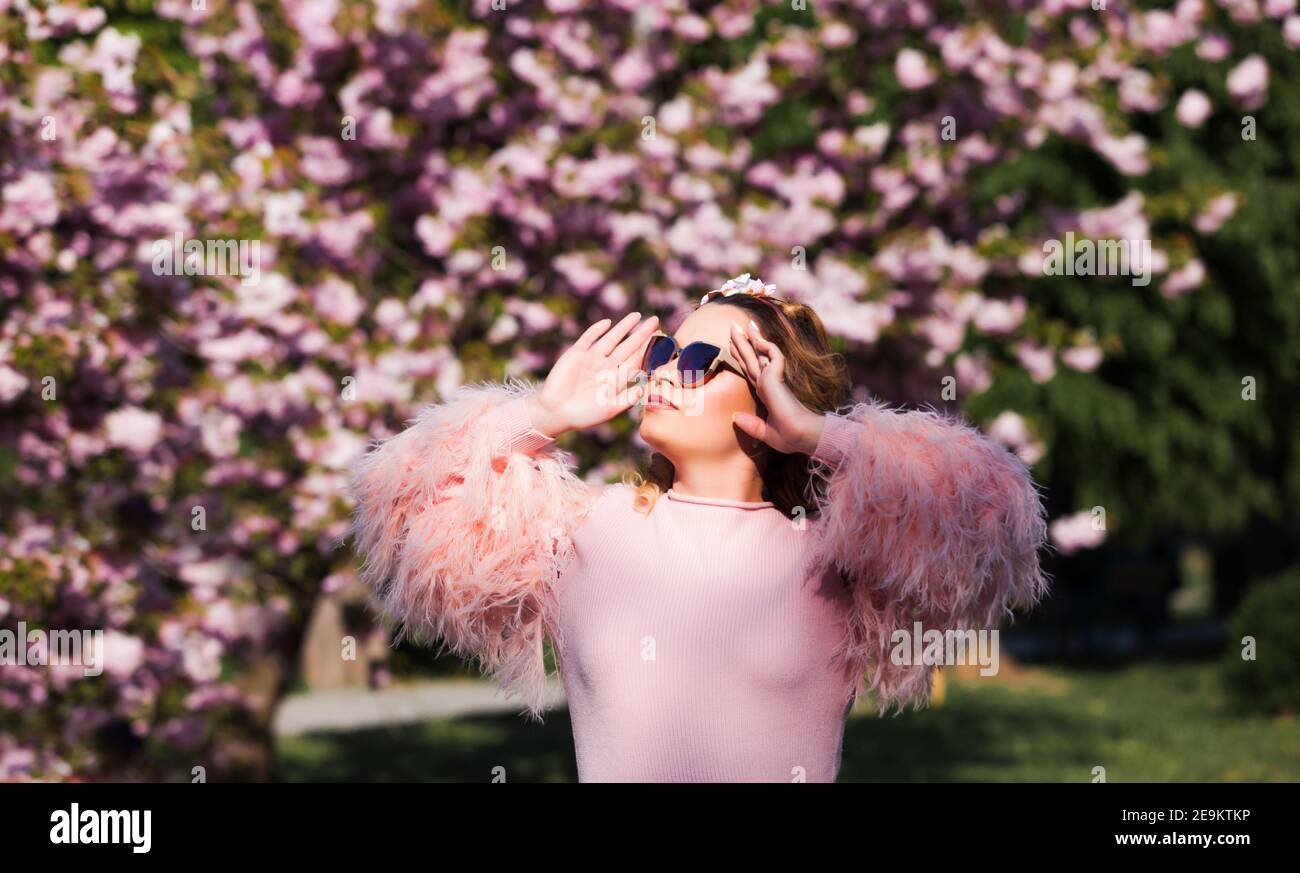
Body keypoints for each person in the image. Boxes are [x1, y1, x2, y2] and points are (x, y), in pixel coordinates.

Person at [347, 273, 1050, 782]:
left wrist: (815, 434)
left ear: (770, 394)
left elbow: (994, 514)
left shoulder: (832, 558)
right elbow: (399, 502)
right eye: (662, 353)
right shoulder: (586, 533)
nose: (665, 373)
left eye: (696, 363)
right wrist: (544, 413)